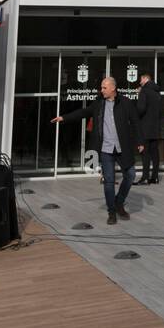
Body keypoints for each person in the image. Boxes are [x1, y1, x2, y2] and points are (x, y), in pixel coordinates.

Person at [52, 76, 143, 225]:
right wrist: (64, 118)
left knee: (131, 175)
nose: (101, 90)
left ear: (113, 88)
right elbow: (83, 112)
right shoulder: (99, 103)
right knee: (109, 181)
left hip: (122, 148)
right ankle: (112, 212)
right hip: (106, 149)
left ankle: (119, 202)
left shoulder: (126, 103)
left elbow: (136, 122)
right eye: (101, 87)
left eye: (104, 88)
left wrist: (140, 141)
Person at [135, 71, 161, 185]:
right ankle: (154, 177)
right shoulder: (157, 92)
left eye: (141, 80)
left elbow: (141, 109)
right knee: (154, 153)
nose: (140, 82)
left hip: (145, 127)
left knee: (145, 152)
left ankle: (145, 177)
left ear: (146, 79)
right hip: (155, 127)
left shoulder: (144, 91)